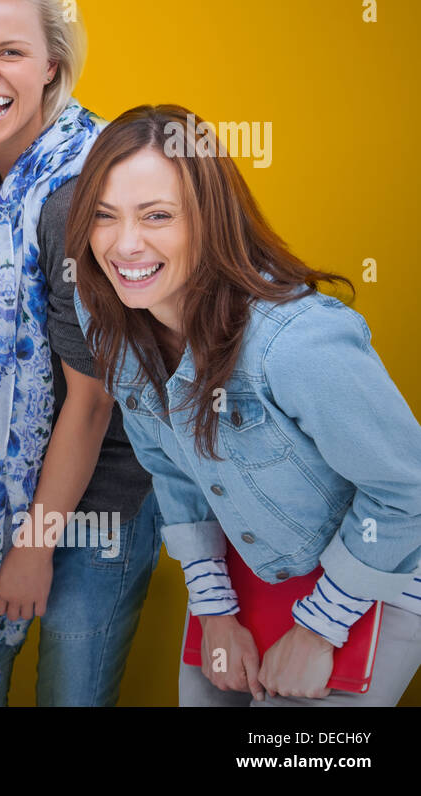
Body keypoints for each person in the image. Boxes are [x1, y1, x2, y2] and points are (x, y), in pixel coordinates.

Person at [67, 103, 421, 706]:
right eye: (104, 216)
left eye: (157, 216)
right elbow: (172, 468)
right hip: (249, 575)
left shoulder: (297, 343)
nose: (125, 245)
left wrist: (317, 630)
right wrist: (214, 612)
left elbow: (408, 491)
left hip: (377, 576)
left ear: (209, 221)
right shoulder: (112, 317)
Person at [0, 0, 161, 706]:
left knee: (68, 688)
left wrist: (32, 546)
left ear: (52, 66)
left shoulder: (78, 197)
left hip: (102, 495)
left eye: (11, 52)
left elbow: (92, 402)